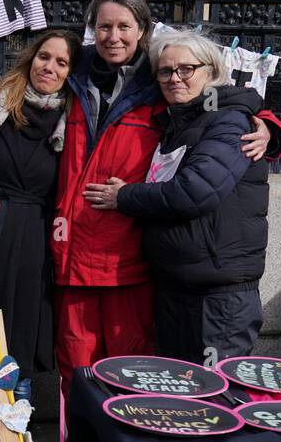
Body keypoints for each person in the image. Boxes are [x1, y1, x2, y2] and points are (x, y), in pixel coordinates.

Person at [53, 0, 281, 440]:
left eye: (124, 26)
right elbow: (22, 85)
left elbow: (230, 105)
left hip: (148, 265)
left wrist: (270, 128)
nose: (113, 36)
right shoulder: (75, 75)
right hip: (98, 260)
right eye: (103, 26)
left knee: (179, 388)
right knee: (98, 375)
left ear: (142, 31)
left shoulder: (160, 86)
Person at [101, 30, 271, 362]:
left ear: (212, 71)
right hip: (176, 288)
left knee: (218, 398)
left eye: (186, 69)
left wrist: (124, 197)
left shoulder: (230, 121)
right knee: (178, 401)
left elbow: (195, 192)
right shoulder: (178, 122)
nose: (174, 78)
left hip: (218, 297)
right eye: (165, 71)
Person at [0, 28, 81, 377]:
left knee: (22, 327)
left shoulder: (72, 122)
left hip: (33, 239)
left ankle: (18, 417)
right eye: (44, 57)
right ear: (31, 59)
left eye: (62, 63)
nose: (50, 67)